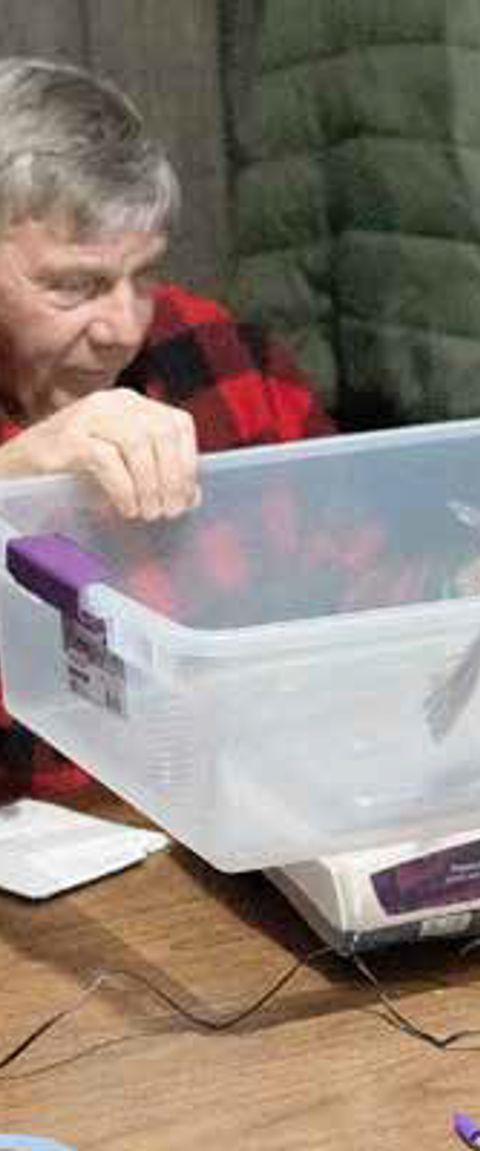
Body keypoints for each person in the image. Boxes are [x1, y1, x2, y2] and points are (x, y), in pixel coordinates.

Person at [0, 58, 333, 800]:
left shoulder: (215, 354)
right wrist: (12, 483)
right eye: (75, 285)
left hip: (249, 803)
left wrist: (478, 587)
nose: (123, 327)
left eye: (143, 274)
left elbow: (355, 579)